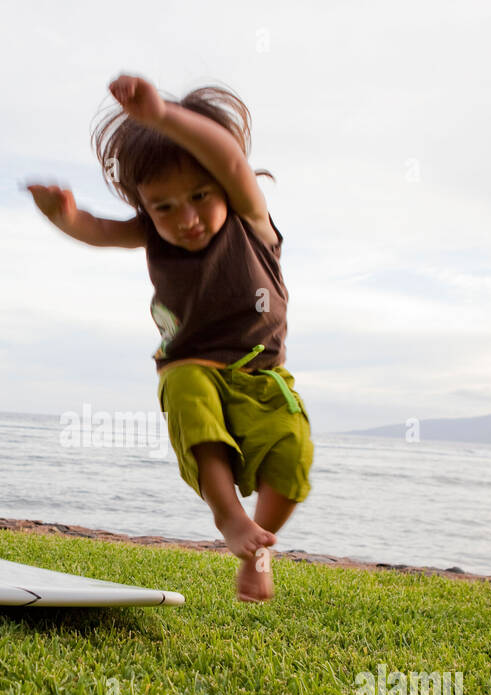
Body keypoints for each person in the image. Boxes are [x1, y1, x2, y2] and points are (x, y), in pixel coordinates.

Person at [25, 74, 313, 602]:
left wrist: (160, 116)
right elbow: (100, 231)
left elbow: (227, 158)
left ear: (224, 184)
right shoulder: (152, 234)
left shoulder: (249, 217)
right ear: (146, 206)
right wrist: (65, 218)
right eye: (164, 207)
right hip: (191, 365)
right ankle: (229, 519)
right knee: (190, 397)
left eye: (200, 196)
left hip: (262, 375)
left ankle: (259, 554)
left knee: (293, 456)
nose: (187, 219)